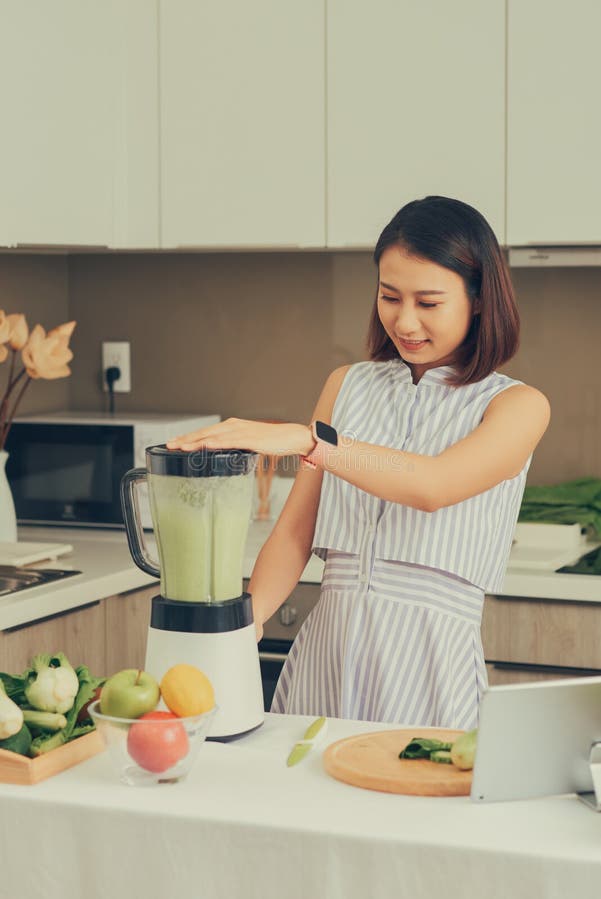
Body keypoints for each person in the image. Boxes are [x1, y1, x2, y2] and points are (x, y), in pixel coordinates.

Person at [167, 196, 550, 730]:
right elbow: (295, 533)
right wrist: (239, 630)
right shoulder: (347, 386)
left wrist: (306, 440)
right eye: (390, 296)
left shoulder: (516, 406)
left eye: (429, 302)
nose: (405, 320)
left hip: (431, 671)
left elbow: (432, 485)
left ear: (480, 298)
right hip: (327, 659)